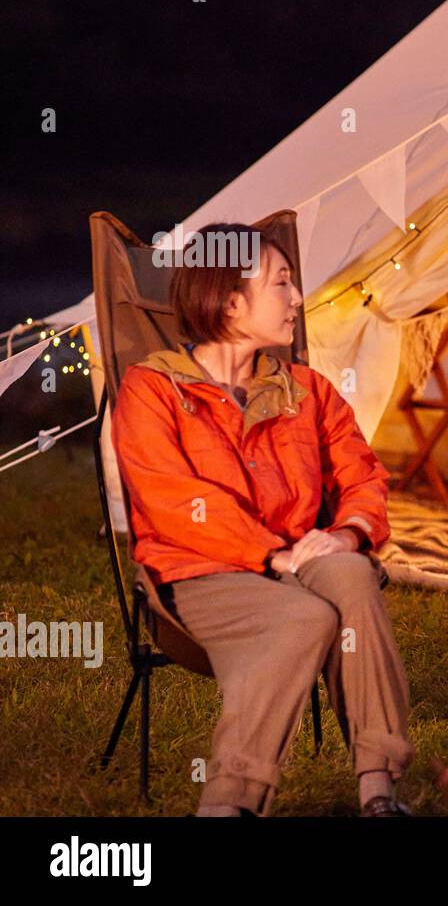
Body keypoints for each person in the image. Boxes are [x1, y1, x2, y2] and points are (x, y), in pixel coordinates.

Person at [112, 223, 415, 816]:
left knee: (351, 574)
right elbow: (170, 499)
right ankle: (230, 803)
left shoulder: (307, 389)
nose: (298, 297)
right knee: (303, 616)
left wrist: (347, 531)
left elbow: (362, 475)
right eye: (282, 283)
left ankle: (378, 790)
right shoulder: (153, 389)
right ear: (229, 302)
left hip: (301, 557)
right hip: (200, 575)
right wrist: (268, 554)